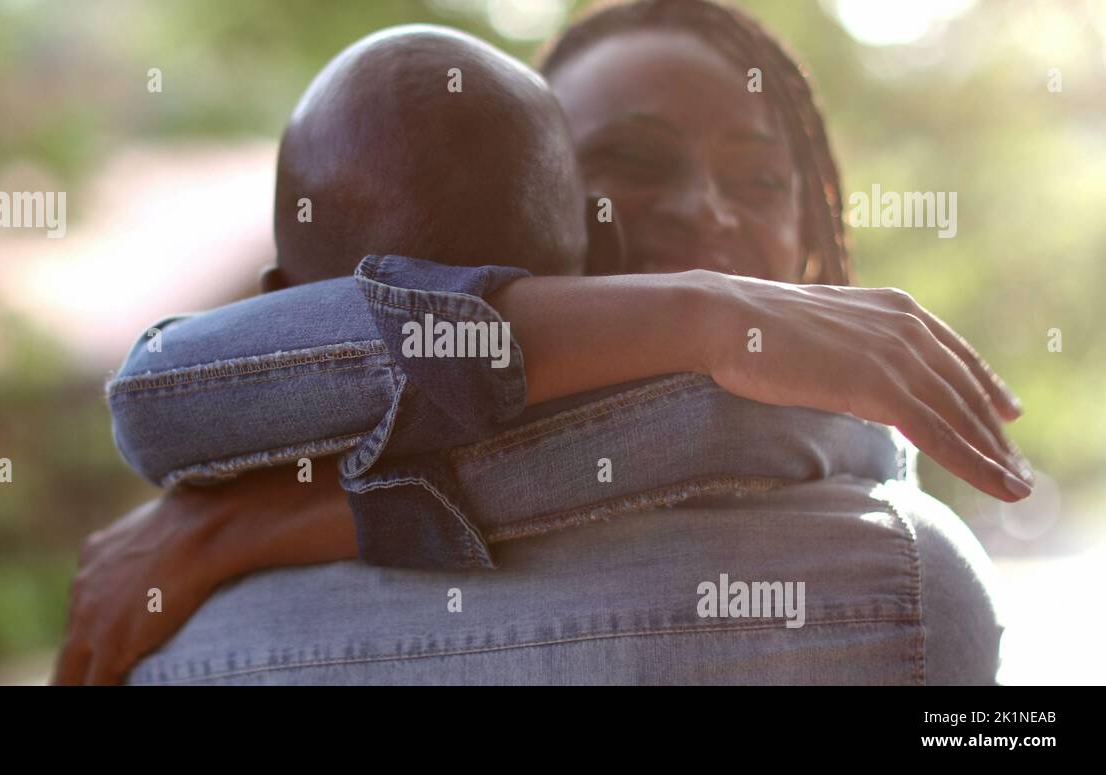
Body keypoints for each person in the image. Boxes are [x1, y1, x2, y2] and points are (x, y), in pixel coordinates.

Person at [57, 2, 1018, 685]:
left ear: (819, 239)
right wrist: (705, 315)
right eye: (629, 164)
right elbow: (168, 386)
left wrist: (287, 519)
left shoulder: (862, 560)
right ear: (547, 215)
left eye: (762, 179)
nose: (707, 215)